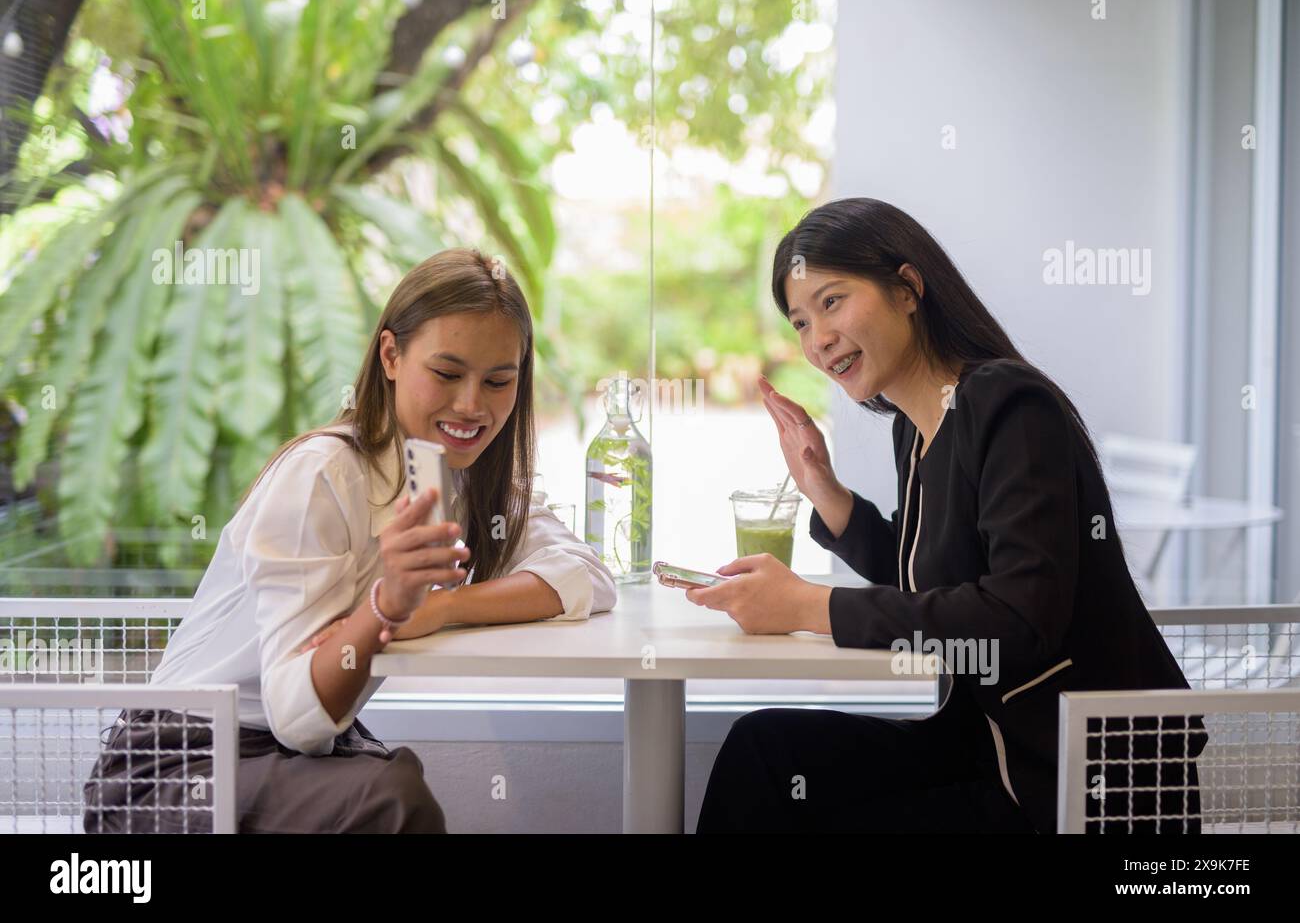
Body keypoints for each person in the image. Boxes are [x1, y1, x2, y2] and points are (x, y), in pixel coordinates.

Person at [691, 198, 1206, 834]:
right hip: (986, 748)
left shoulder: (1009, 405)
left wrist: (805, 605)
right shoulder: (918, 430)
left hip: (1071, 786)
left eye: (831, 302)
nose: (817, 340)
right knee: (765, 750)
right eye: (800, 322)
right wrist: (824, 489)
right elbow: (930, 585)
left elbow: (1017, 621)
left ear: (907, 289)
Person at [83, 248, 616, 833]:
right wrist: (384, 606)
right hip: (176, 768)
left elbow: (585, 576)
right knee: (392, 799)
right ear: (390, 354)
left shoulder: (465, 483)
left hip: (287, 756)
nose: (471, 404)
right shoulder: (323, 473)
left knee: (391, 793)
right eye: (446, 373)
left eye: (498, 381)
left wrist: (441, 607)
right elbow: (296, 716)